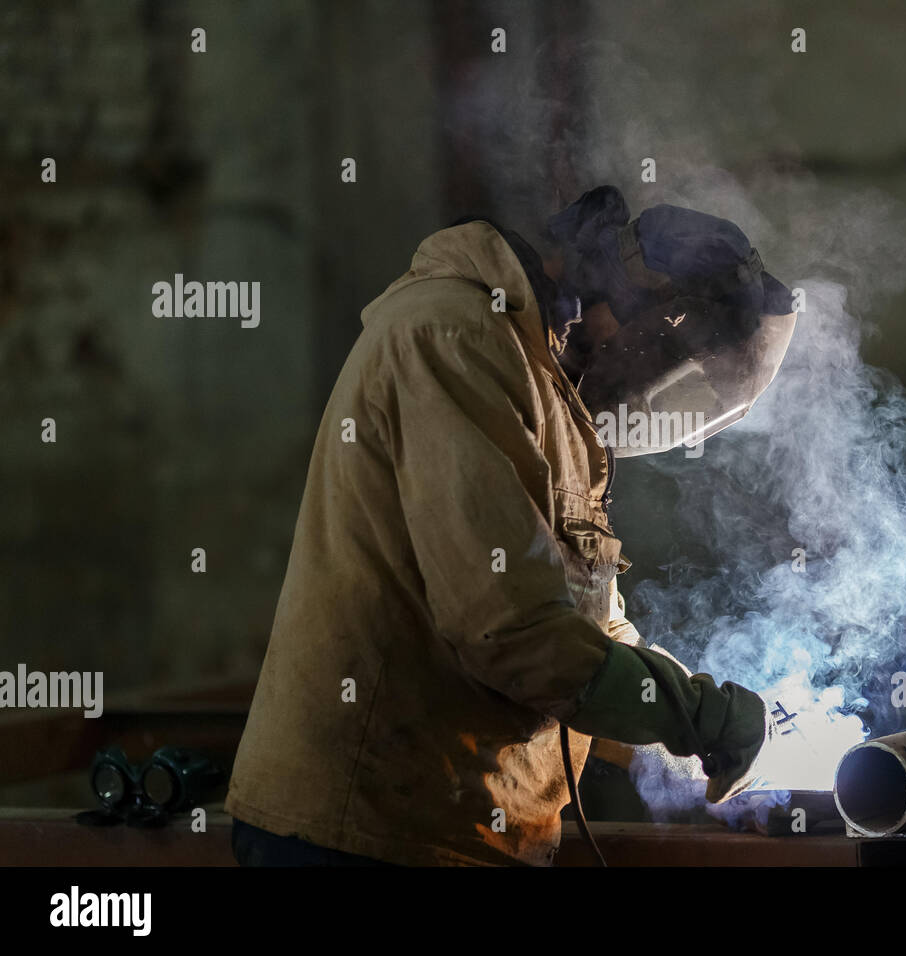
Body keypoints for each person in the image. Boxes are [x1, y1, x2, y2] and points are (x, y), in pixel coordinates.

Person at [225, 185, 798, 866]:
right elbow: (512, 629)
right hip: (368, 831)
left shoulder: (540, 374)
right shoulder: (454, 336)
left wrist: (702, 752)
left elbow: (585, 627)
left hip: (451, 827)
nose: (656, 386)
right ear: (640, 309)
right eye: (670, 361)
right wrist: (696, 716)